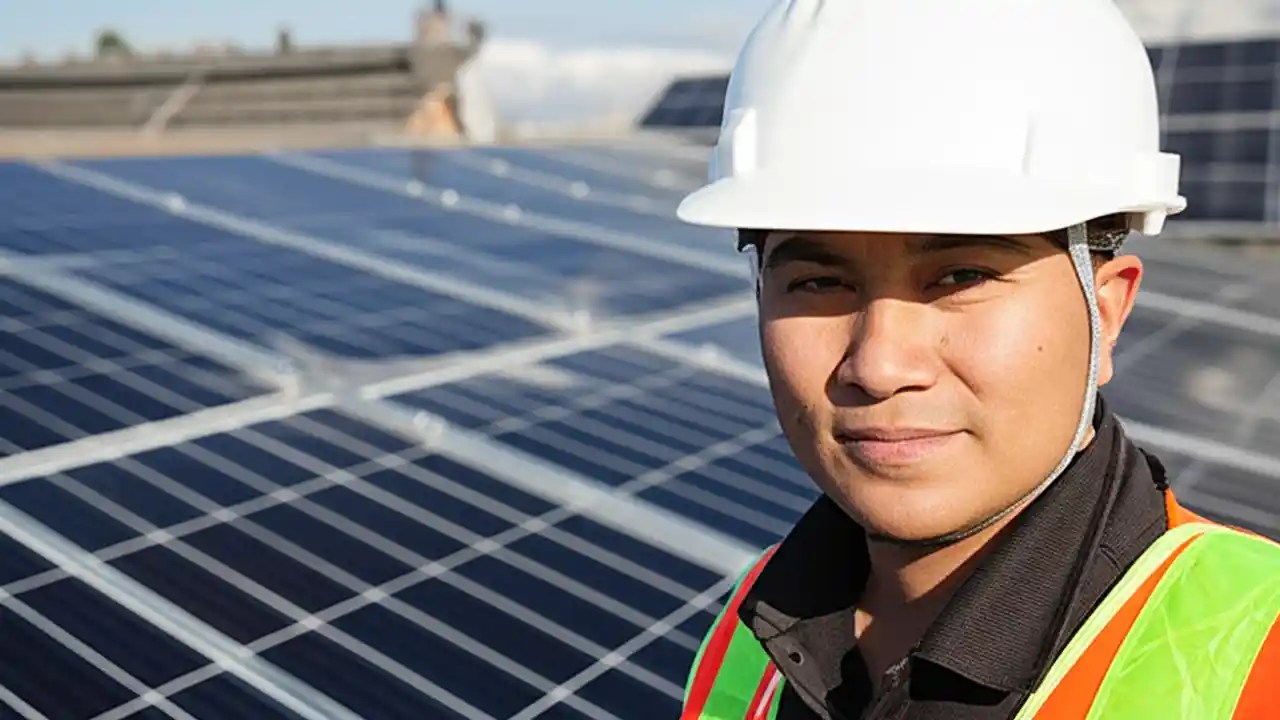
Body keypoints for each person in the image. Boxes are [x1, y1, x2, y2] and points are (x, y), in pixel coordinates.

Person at [674, 1, 1280, 718]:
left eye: (963, 278)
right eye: (817, 282)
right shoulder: (747, 631)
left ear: (1107, 312)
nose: (879, 363)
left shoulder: (1261, 652)